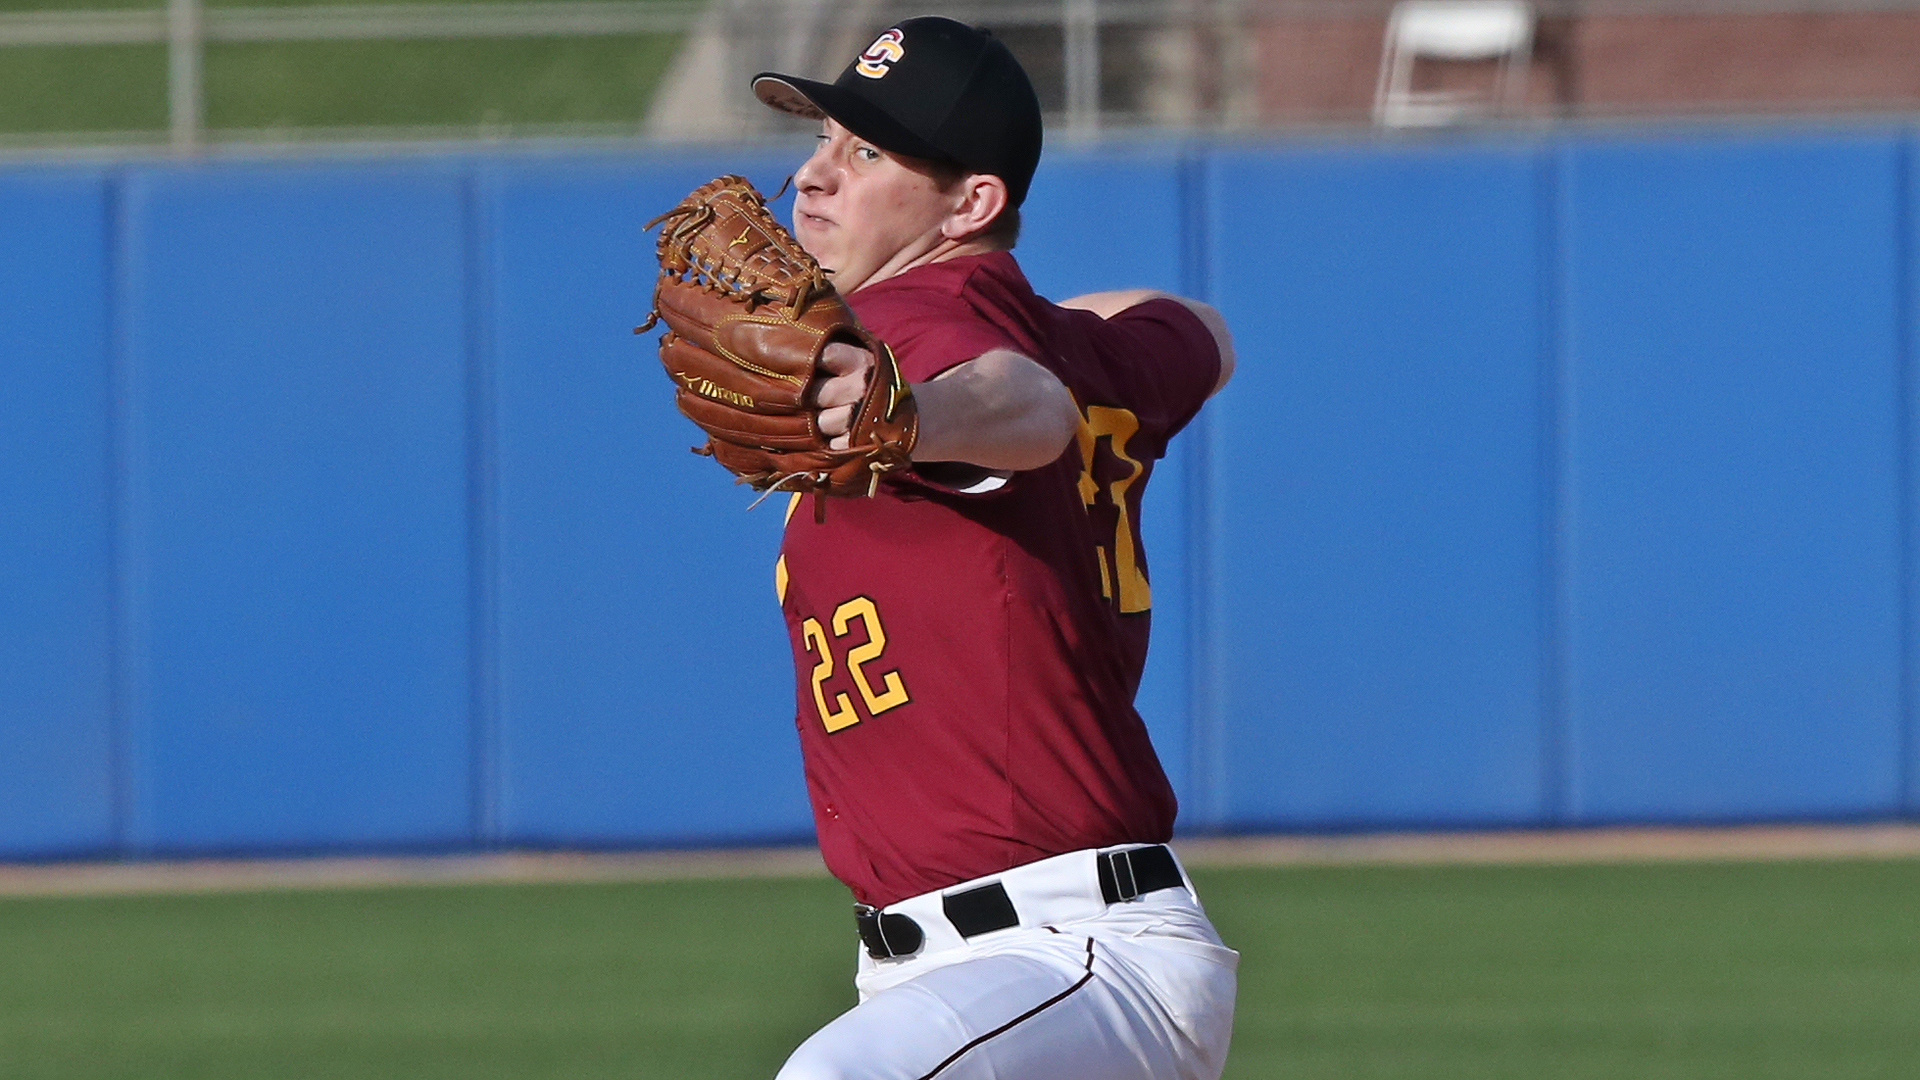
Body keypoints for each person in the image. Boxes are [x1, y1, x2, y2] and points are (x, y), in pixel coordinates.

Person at [746, 16, 1238, 1080]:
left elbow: (1028, 411)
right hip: (988, 978)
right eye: (823, 139)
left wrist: (911, 412)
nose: (814, 176)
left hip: (1061, 953)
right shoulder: (1064, 344)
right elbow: (1203, 333)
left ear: (971, 203)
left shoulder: (913, 339)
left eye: (866, 152)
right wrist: (1058, 328)